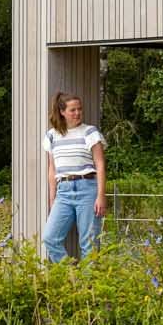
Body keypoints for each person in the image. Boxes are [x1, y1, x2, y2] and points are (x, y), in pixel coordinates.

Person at [43, 91, 106, 261]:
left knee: (89, 244)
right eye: (72, 110)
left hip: (88, 190)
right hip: (63, 192)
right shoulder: (51, 136)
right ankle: (73, 276)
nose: (77, 113)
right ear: (62, 112)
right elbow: (52, 169)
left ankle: (89, 286)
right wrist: (52, 198)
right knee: (49, 238)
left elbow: (100, 165)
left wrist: (101, 196)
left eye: (79, 109)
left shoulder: (90, 132)